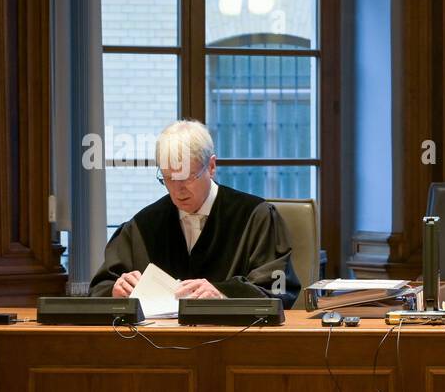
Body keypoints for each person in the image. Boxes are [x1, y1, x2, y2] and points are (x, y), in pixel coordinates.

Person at [89, 119, 299, 307]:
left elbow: (279, 288)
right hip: (158, 344)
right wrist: (115, 291)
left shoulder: (256, 217)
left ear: (212, 166)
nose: (179, 190)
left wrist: (224, 295)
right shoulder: (143, 226)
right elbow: (100, 289)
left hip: (234, 341)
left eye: (188, 177)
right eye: (169, 178)